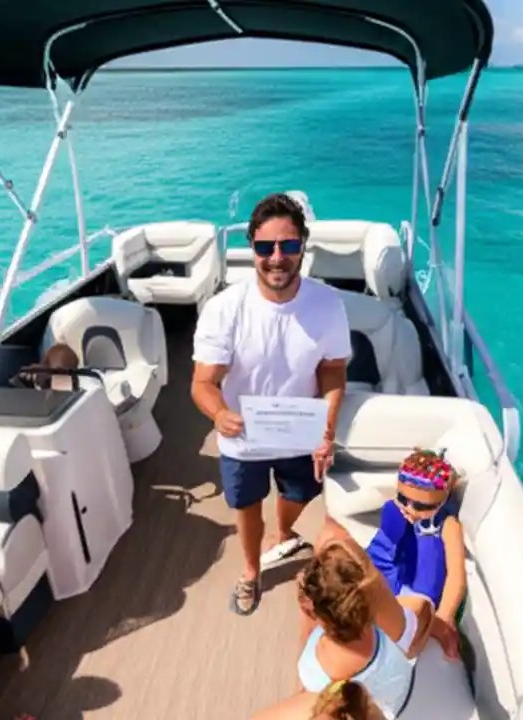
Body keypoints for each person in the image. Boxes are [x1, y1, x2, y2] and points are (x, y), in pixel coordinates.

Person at [192, 192, 352, 616]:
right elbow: (203, 383)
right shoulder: (224, 309)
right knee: (245, 506)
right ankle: (251, 570)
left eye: (288, 245)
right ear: (252, 249)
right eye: (265, 247)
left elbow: (333, 370)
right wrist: (219, 413)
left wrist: (328, 428)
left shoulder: (328, 304)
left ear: (303, 247)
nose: (276, 257)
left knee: (303, 490)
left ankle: (281, 531)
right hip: (242, 435)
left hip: (302, 430)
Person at [251, 521, 434, 720]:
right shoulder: (389, 625)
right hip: (396, 699)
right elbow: (337, 537)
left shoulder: (319, 674)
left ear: (315, 612)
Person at [366, 449, 466, 658]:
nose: (409, 509)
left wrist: (444, 617)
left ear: (441, 502)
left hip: (415, 589)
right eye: (403, 498)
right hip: (385, 571)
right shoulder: (396, 509)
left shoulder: (447, 525)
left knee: (400, 623)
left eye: (420, 505)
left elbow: (456, 577)